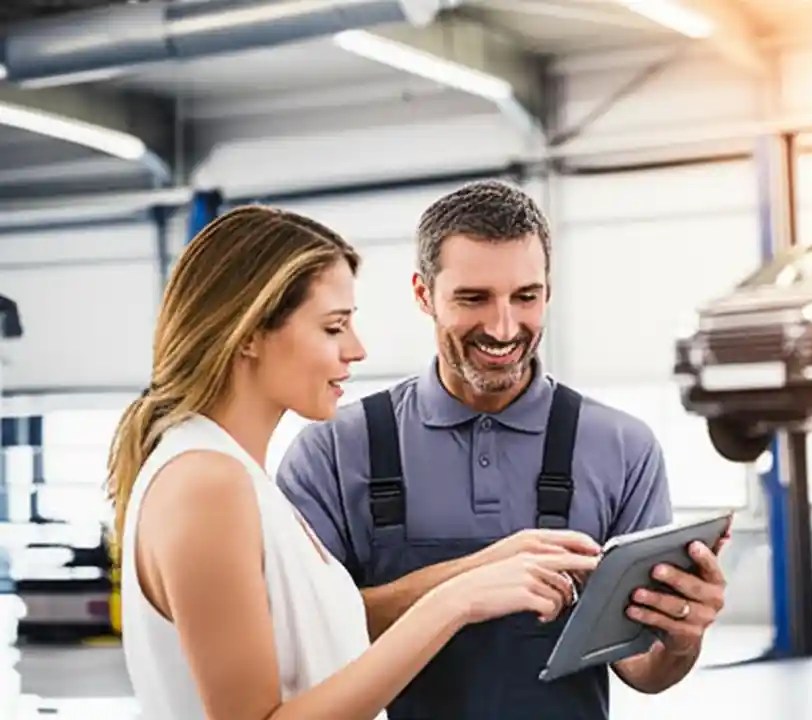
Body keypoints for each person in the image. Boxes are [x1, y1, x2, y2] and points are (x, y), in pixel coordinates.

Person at [106, 205, 599, 720]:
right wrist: (456, 603)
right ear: (248, 332)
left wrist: (487, 563)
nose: (357, 350)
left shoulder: (233, 477)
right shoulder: (207, 483)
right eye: (333, 327)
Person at [276, 179, 730, 720]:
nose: (503, 326)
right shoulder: (332, 451)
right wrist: (475, 579)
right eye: (473, 298)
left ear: (548, 291)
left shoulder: (622, 448)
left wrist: (681, 637)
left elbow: (644, 669)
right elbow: (306, 642)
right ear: (424, 294)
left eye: (526, 296)